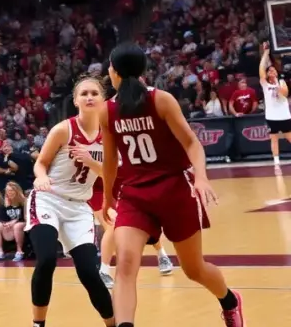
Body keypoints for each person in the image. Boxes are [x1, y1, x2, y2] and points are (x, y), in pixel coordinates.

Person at [101, 42, 245, 327]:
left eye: (109, 66)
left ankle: (230, 301)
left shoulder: (161, 100)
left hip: (174, 188)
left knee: (194, 269)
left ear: (115, 72)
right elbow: (109, 161)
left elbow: (191, 142)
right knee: (126, 266)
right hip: (135, 195)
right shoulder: (108, 111)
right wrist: (108, 197)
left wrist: (201, 177)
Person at [26, 76, 114, 327]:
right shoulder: (63, 129)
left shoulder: (110, 135)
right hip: (48, 199)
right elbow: (40, 163)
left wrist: (91, 161)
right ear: (75, 100)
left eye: (94, 93)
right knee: (46, 260)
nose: (89, 97)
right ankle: (38, 324)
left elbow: (113, 174)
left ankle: (114, 323)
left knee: (89, 272)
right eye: (84, 93)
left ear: (103, 99)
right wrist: (41, 178)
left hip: (78, 207)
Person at [259, 42, 291, 165]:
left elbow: (285, 94)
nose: (271, 71)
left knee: (289, 137)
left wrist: (278, 87)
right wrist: (266, 53)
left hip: (284, 115)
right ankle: (276, 162)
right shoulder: (265, 84)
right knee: (274, 139)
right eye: (269, 71)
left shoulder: (282, 82)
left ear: (276, 73)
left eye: (273, 70)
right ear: (267, 74)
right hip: (272, 117)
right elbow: (261, 68)